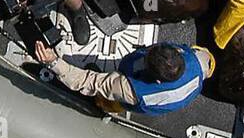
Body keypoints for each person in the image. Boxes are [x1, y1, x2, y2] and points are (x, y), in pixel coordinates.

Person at [32, 39, 215, 113]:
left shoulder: (130, 90)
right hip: (176, 96)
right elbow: (208, 60)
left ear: (157, 80)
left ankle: (100, 105)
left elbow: (86, 80)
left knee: (107, 100)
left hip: (132, 99)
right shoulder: (197, 60)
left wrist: (53, 62)